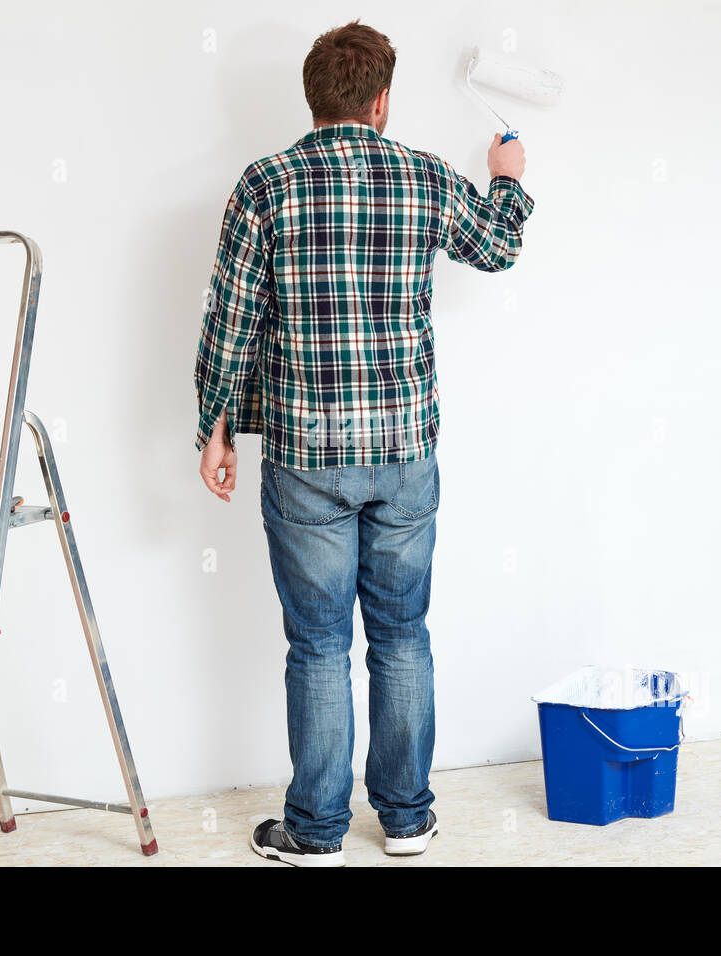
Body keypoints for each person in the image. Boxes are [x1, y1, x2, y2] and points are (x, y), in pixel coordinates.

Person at [193, 20, 534, 866]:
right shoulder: (421, 175)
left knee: (317, 644)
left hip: (307, 454)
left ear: (318, 98)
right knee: (402, 635)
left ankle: (314, 833)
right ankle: (409, 821)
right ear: (381, 100)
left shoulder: (265, 183)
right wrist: (508, 181)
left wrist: (216, 426)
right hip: (404, 450)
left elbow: (230, 323)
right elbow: (496, 248)